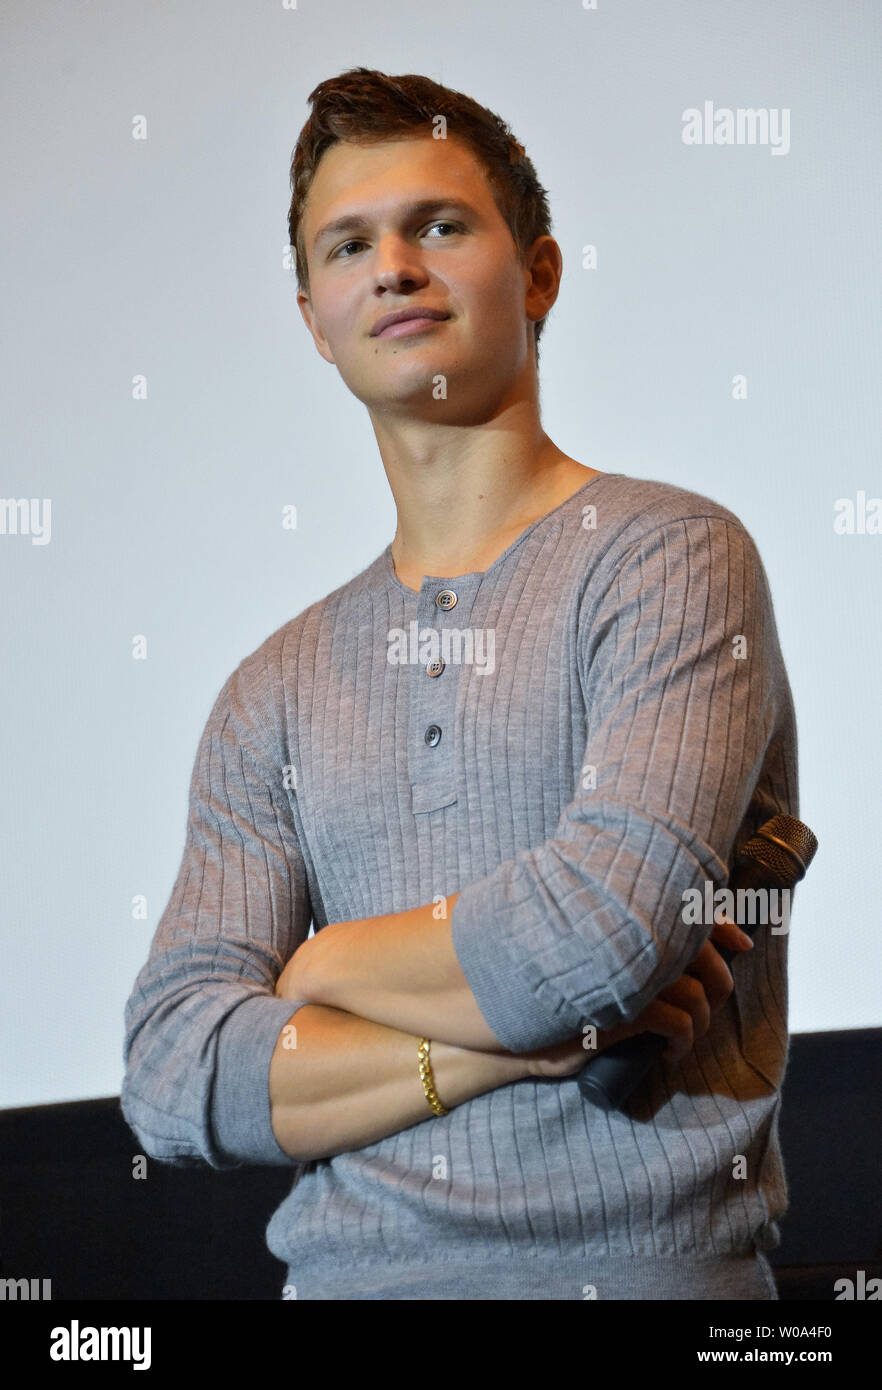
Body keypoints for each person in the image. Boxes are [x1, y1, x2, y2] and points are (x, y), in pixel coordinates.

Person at [122, 68, 798, 1301]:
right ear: (314, 317)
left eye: (438, 224)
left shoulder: (670, 559)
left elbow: (603, 937)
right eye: (349, 243)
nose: (393, 266)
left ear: (537, 274)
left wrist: (314, 967)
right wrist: (509, 1056)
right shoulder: (271, 687)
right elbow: (171, 1075)